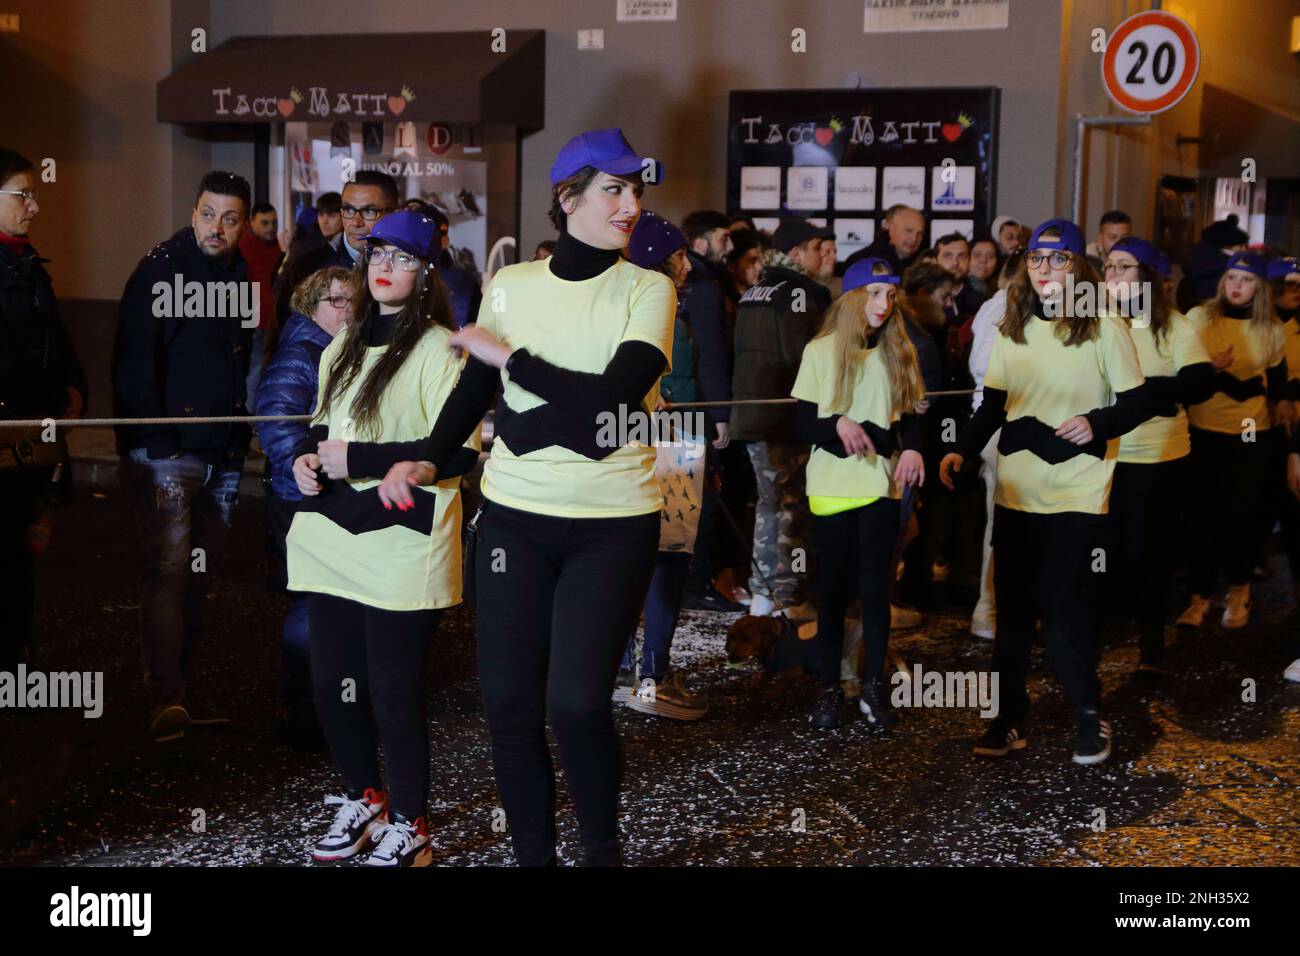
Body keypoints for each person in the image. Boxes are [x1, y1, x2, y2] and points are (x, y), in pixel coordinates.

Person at [349, 128, 674, 867]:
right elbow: (475, 389)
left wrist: (517, 368)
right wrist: (426, 462)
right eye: (614, 190)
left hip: (611, 525)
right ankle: (534, 856)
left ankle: (601, 850)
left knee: (578, 704)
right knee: (509, 704)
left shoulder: (648, 288)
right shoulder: (512, 286)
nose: (631, 204)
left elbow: (612, 403)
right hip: (515, 523)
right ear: (569, 199)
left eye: (635, 190)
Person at [287, 211, 480, 866]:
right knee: (331, 683)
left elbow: (458, 456)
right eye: (376, 255)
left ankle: (412, 822)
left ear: (425, 272)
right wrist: (305, 461)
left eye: (401, 257)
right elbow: (323, 432)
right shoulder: (341, 345)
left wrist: (359, 461)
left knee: (393, 692)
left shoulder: (439, 348)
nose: (384, 267)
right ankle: (361, 797)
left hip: (402, 537)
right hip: (334, 532)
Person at [940, 218, 1151, 766]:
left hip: (1076, 495)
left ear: (1080, 267)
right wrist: (960, 447)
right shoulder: (1015, 323)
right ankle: (1008, 718)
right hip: (1017, 491)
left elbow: (1137, 401)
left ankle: (1089, 714)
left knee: (1062, 609)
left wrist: (1098, 423)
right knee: (1012, 614)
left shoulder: (1105, 324)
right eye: (1036, 259)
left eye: (1058, 260)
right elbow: (993, 403)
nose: (1045, 270)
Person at [112, 170, 254, 742]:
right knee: (168, 573)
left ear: (243, 224)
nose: (216, 227)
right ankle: (165, 697)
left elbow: (236, 358)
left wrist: (236, 438)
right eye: (206, 213)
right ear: (192, 211)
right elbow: (133, 366)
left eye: (229, 217)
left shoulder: (238, 271)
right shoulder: (160, 269)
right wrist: (157, 445)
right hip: (171, 454)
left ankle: (183, 692)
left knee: (198, 576)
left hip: (219, 451)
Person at [793, 257, 925, 729]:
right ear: (850, 298)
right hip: (830, 488)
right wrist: (838, 423)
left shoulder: (899, 352)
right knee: (831, 591)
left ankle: (873, 686)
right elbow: (803, 423)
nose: (883, 305)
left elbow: (911, 418)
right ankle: (830, 688)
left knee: (874, 591)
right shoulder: (821, 351)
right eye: (873, 294)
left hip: (879, 488)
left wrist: (913, 451)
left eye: (890, 295)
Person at [1102, 237, 1213, 674]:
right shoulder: (1096, 321)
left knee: (1147, 552)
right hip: (1104, 454)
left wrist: (1143, 394)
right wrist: (1151, 393)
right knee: (1103, 550)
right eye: (1108, 267)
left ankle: (1151, 645)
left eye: (1123, 267)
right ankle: (1097, 641)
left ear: (1146, 277)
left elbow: (1201, 383)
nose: (1112, 275)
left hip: (1157, 457)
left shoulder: (1174, 326)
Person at [254, 265, 355, 741]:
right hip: (299, 495)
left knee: (329, 600)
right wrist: (298, 457)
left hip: (321, 491)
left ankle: (328, 705)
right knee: (310, 600)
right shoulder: (303, 351)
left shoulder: (336, 348)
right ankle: (303, 711)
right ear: (311, 306)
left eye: (352, 300)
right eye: (336, 301)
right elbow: (275, 416)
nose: (347, 309)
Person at [615, 211, 709, 719]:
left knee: (634, 562)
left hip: (650, 445)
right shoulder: (659, 304)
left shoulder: (622, 299)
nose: (688, 266)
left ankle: (628, 671)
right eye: (679, 255)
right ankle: (651, 678)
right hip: (668, 447)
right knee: (668, 561)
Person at [0, 147, 87, 672]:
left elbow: (50, 337)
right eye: (23, 194)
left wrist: (72, 388)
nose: (34, 205)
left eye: (35, 193)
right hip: (7, 431)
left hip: (27, 438)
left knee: (19, 548)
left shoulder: (28, 263)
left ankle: (16, 652)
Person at [1177, 252, 1291, 629]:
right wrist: (1219, 372)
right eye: (1231, 279)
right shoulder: (1199, 318)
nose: (1236, 287)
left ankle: (1238, 591)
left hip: (1248, 431)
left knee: (1237, 516)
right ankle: (1198, 596)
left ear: (1259, 288)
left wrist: (1278, 402)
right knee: (1198, 517)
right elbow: (1184, 371)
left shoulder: (1271, 331)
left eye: (1246, 281)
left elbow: (1276, 386)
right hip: (1200, 429)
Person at [731, 217, 834, 619]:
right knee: (791, 505)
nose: (822, 256)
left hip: (751, 411)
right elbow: (803, 357)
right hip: (785, 414)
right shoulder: (799, 293)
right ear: (796, 253)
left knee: (768, 503)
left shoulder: (754, 290)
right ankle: (789, 598)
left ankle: (761, 594)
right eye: (816, 248)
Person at [677, 210, 737, 612]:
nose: (730, 247)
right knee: (699, 498)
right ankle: (694, 584)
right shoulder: (702, 284)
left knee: (679, 497)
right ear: (701, 243)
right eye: (724, 238)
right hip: (692, 407)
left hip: (668, 407)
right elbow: (712, 353)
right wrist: (720, 412)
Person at [965, 250, 1025, 640]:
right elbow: (987, 367)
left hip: (1003, 425)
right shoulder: (1008, 307)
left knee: (1006, 519)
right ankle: (989, 610)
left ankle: (1001, 607)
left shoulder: (992, 306)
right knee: (1006, 520)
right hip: (1005, 425)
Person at [1262, 257, 1300, 598]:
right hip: (1262, 422)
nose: (1295, 292)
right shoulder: (1264, 326)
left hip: (1296, 426)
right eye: (1288, 285)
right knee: (1262, 492)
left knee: (1292, 499)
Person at [239, 201, 284, 406]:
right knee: (255, 372)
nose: (271, 227)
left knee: (266, 374)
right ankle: (249, 421)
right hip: (255, 322)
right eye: (265, 223)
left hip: (273, 321)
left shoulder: (277, 248)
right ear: (251, 223)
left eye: (274, 223)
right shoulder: (242, 249)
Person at [1177, 215, 1249, 313]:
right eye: (1241, 246)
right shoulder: (1230, 268)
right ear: (1227, 245)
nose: (1245, 250)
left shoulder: (1194, 260)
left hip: (1191, 317)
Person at [844, 204, 925, 275]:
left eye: (920, 234)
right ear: (891, 229)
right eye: (908, 231)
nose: (914, 239)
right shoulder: (861, 261)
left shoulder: (924, 264)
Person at [934, 232, 986, 317]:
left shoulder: (980, 300)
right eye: (948, 256)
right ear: (935, 260)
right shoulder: (924, 297)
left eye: (961, 256)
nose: (955, 263)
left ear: (969, 260)